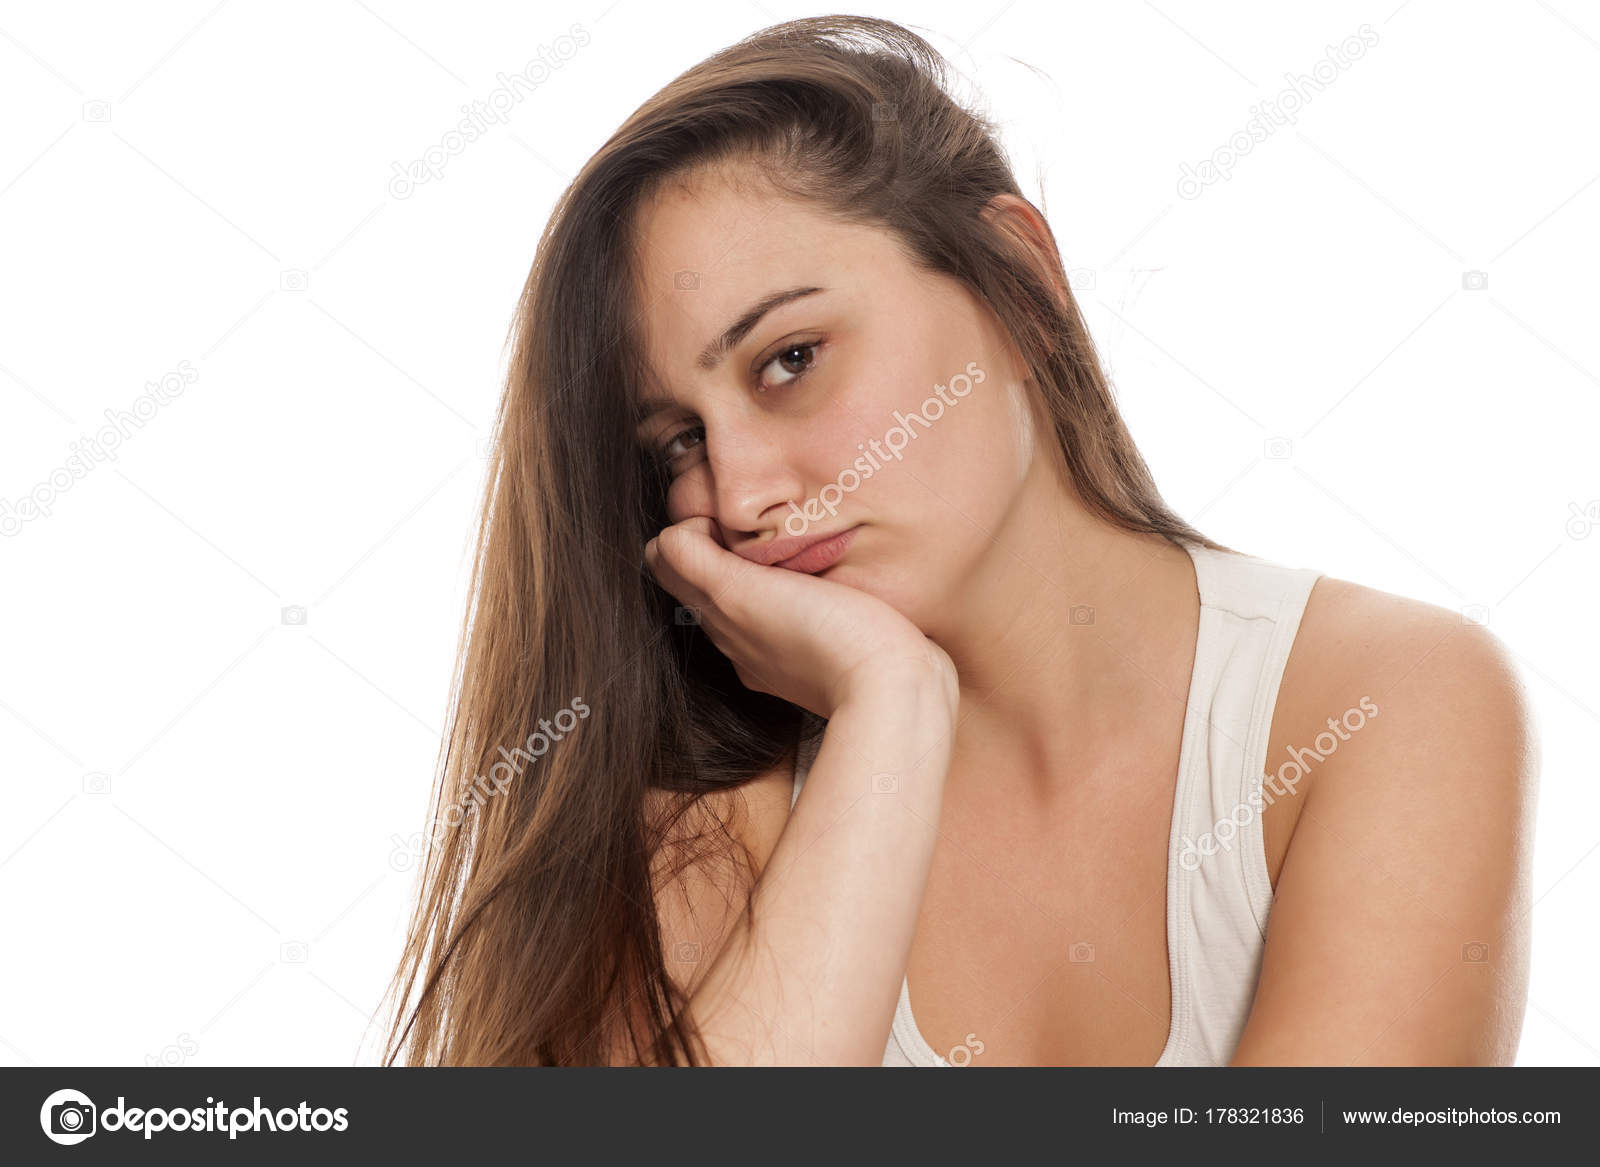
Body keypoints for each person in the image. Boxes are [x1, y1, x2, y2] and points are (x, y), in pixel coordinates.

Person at [381, 15, 1536, 1067]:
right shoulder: (705, 818)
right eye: (675, 443)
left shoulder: (1384, 701)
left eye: (788, 360)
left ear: (1022, 289)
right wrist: (892, 703)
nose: (734, 496)